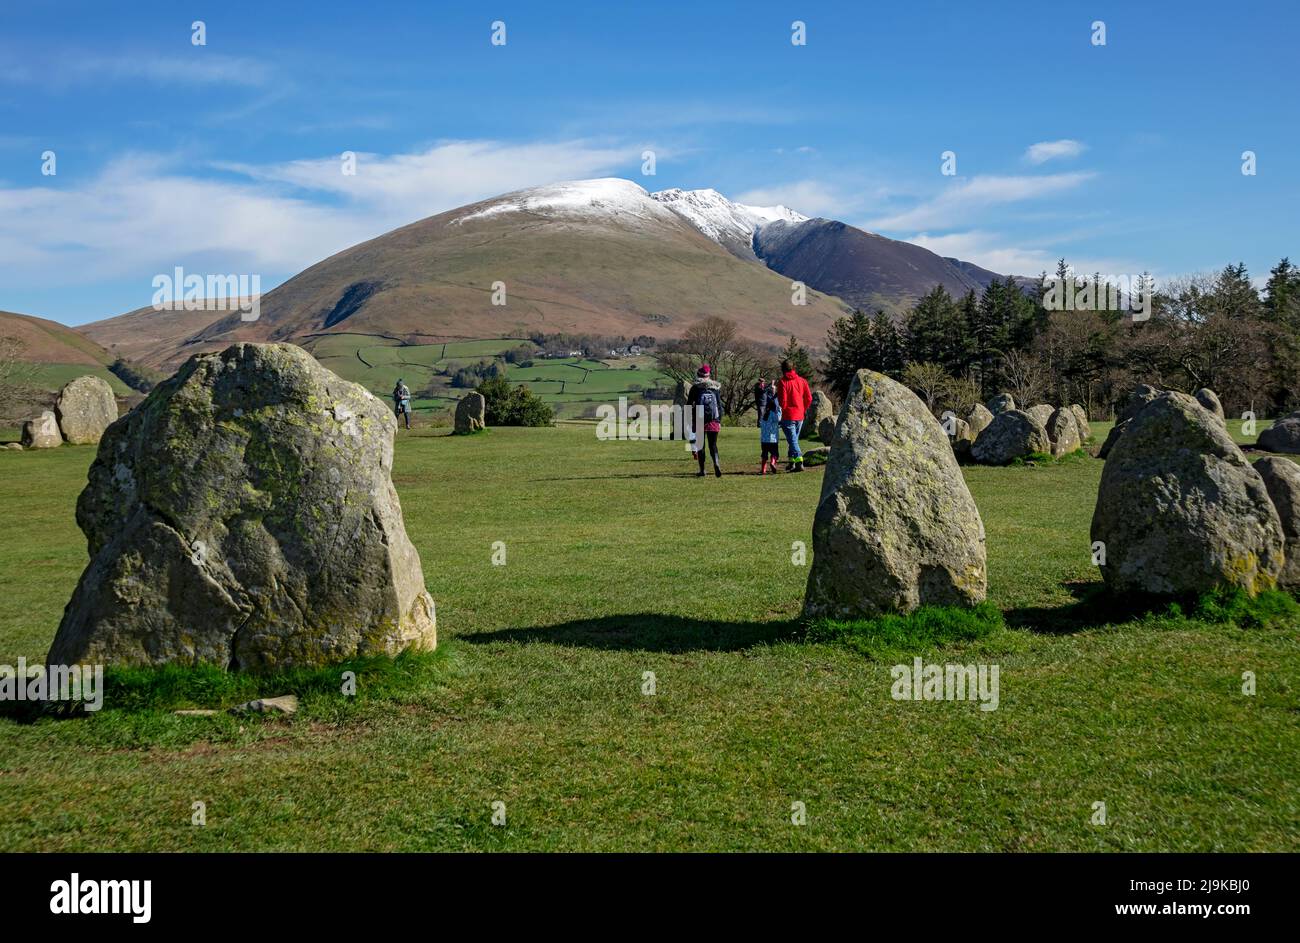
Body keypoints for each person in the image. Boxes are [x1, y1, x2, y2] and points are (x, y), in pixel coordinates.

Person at [687, 363, 723, 478]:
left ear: (699, 375)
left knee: (700, 446)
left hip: (699, 420)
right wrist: (719, 421)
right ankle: (716, 463)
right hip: (713, 420)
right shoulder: (715, 388)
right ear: (708, 375)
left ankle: (702, 470)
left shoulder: (695, 388)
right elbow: (719, 406)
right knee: (713, 445)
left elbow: (688, 405)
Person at [776, 358, 812, 472]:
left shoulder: (782, 382)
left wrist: (783, 410)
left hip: (788, 415)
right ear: (793, 368)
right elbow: (809, 398)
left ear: (783, 369)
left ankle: (799, 461)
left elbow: (783, 402)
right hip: (800, 415)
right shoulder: (802, 381)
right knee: (793, 439)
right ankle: (791, 461)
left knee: (792, 440)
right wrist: (803, 408)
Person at [758, 379, 782, 474]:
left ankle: (763, 469)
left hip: (764, 439)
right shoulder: (774, 414)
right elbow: (779, 419)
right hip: (773, 439)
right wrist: (779, 409)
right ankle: (772, 462)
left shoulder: (764, 415)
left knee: (764, 454)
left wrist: (771, 386)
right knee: (774, 453)